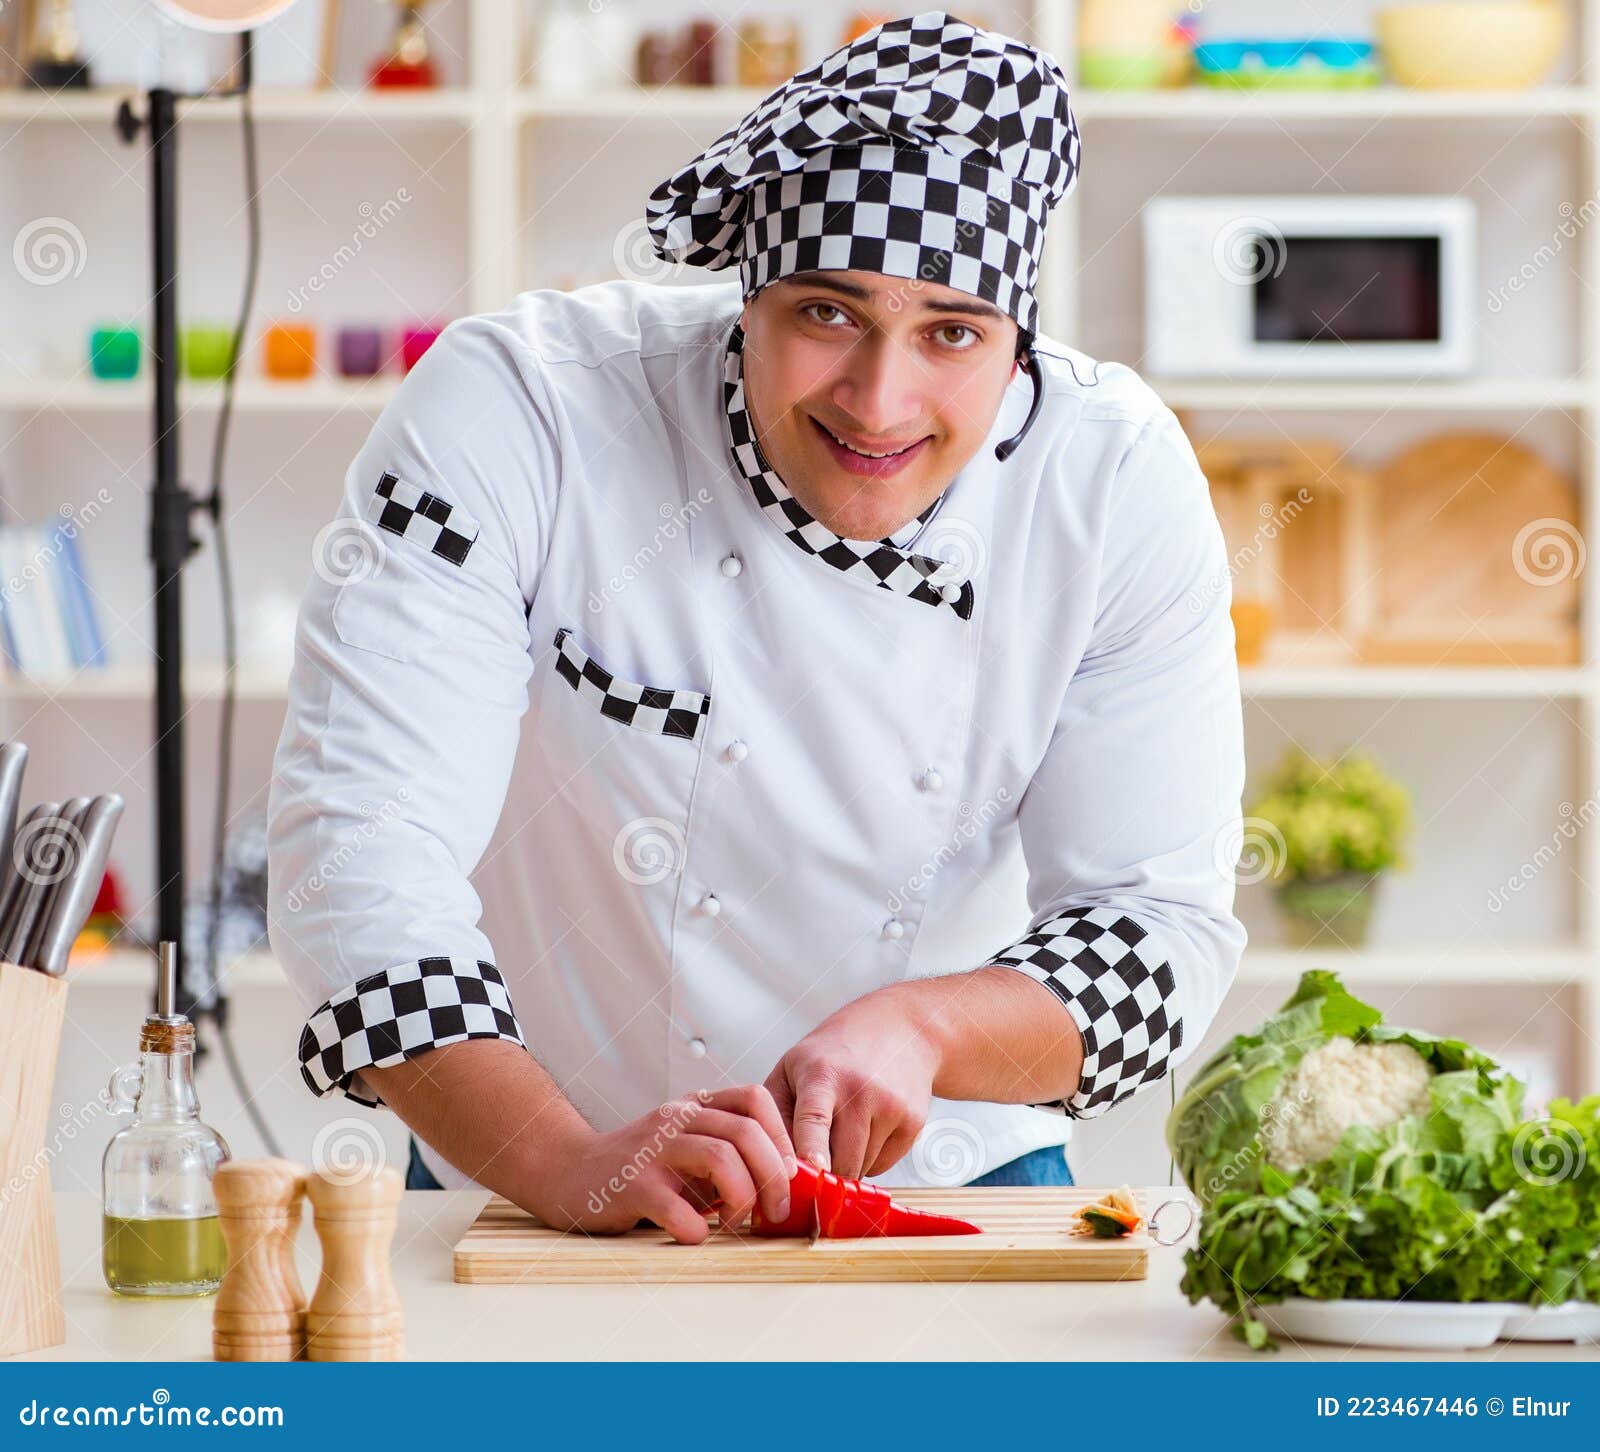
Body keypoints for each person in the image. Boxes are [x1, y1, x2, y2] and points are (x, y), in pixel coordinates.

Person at [268, 12, 1246, 1243]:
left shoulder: (1111, 480)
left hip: (950, 1180)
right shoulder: (526, 411)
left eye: (951, 332)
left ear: (1016, 344)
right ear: (746, 298)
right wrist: (560, 1158)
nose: (879, 401)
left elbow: (1160, 925)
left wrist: (923, 1023)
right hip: (530, 1172)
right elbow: (359, 849)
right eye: (826, 315)